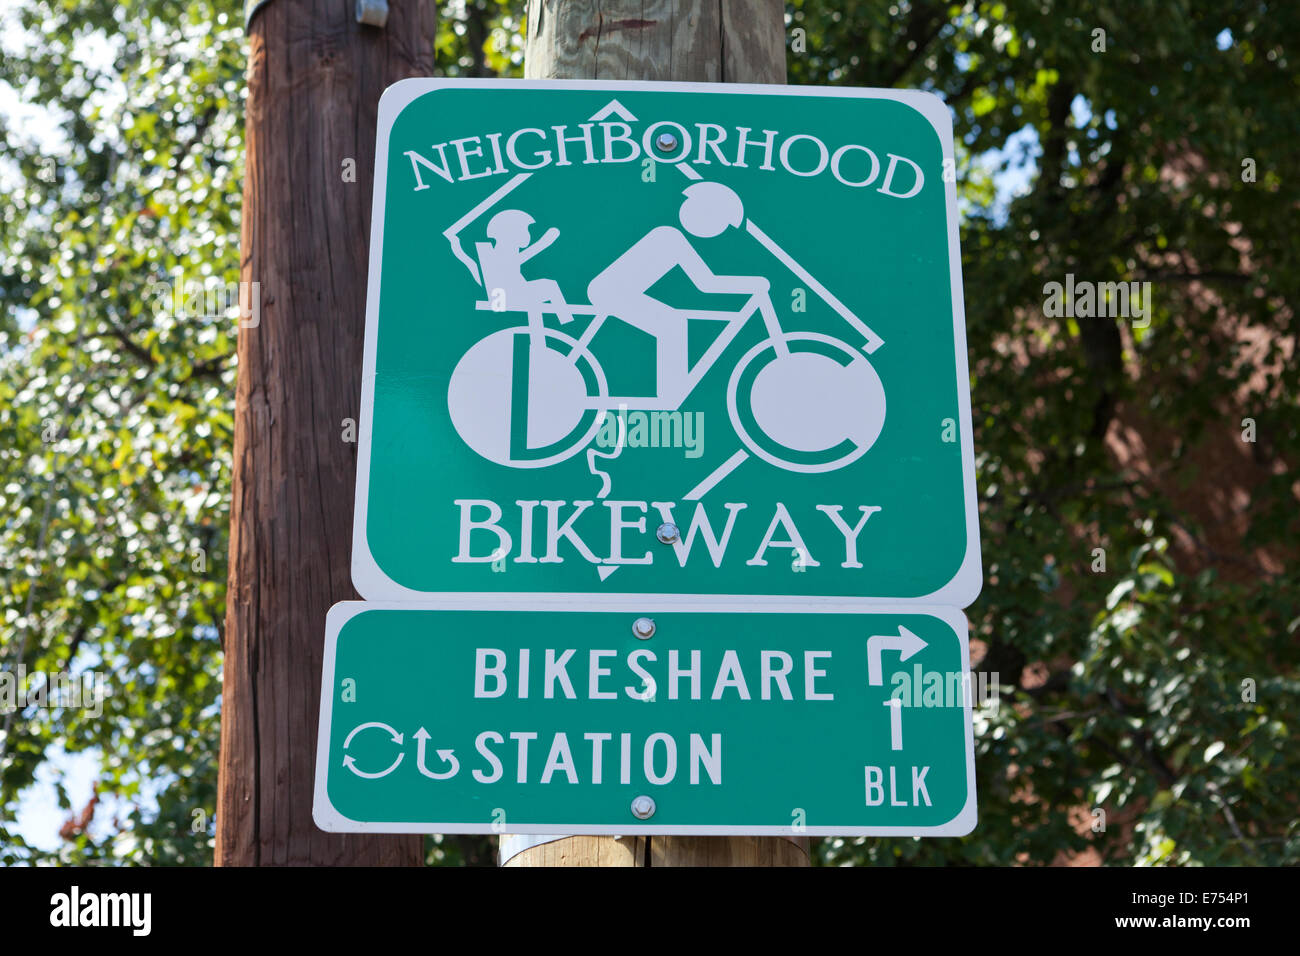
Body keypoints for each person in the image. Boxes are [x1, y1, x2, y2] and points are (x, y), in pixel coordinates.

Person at [586, 182, 782, 405]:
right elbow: (705, 283)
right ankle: (668, 397)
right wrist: (754, 285)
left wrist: (750, 285)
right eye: (718, 220)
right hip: (610, 292)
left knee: (674, 320)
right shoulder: (671, 237)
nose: (717, 227)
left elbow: (704, 283)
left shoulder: (672, 236)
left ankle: (669, 394)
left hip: (615, 290)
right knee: (673, 322)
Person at [476, 210, 577, 343]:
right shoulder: (503, 250)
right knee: (549, 286)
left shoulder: (504, 250)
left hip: (511, 292)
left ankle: (552, 331)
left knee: (546, 288)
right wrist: (543, 243)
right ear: (508, 233)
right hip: (506, 296)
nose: (527, 234)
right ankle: (568, 323)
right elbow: (511, 264)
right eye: (524, 229)